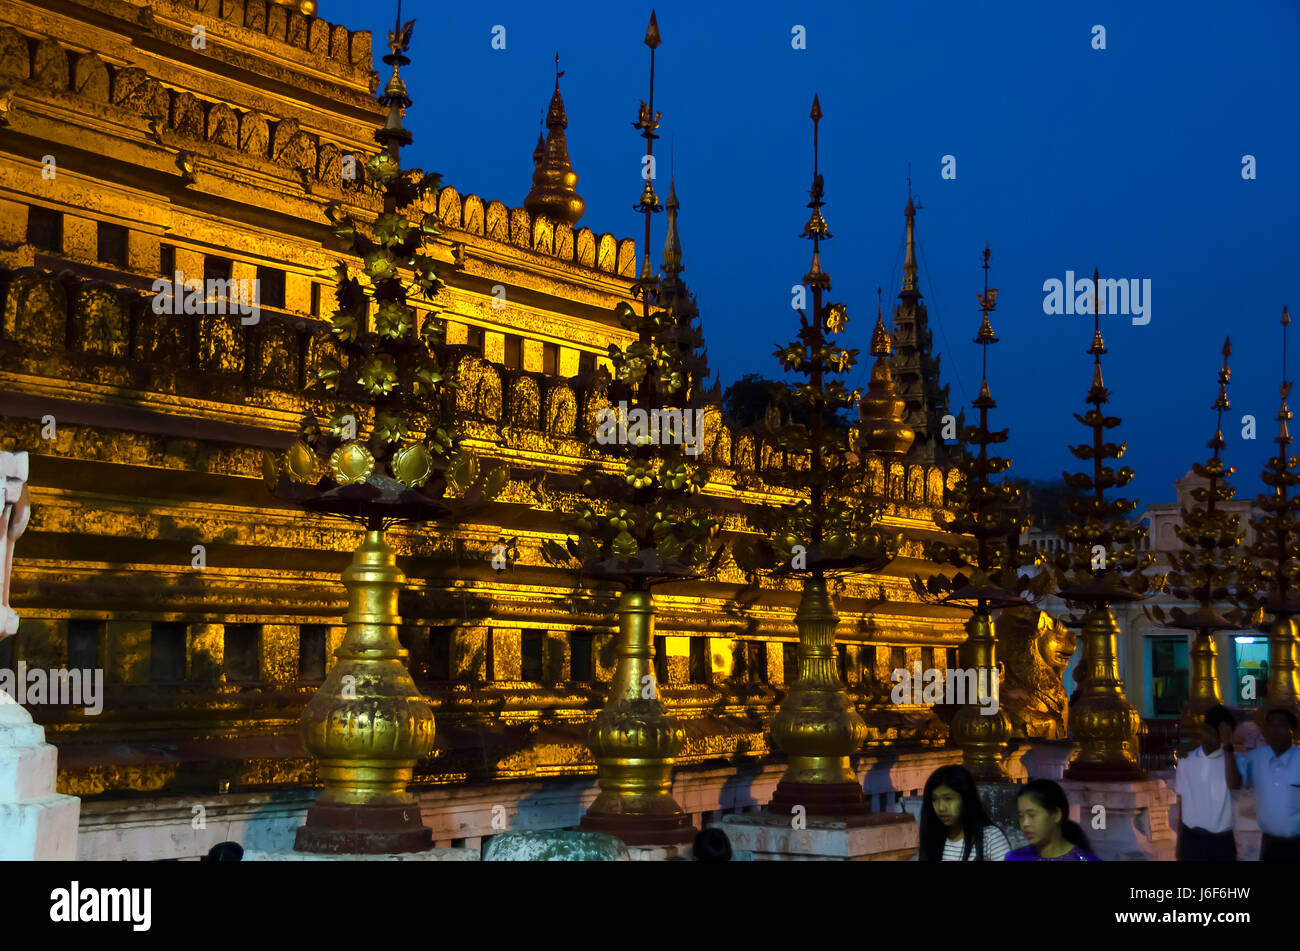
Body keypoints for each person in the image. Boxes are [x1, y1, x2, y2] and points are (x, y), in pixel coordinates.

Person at [1224, 707, 1300, 860]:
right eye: (1270, 725)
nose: (1275, 731)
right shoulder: (1255, 758)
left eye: (1281, 725)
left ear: (1291, 730)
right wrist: (1227, 748)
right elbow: (1234, 783)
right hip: (1269, 844)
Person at [1174, 705, 1238, 860]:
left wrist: (1228, 746)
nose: (1212, 740)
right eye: (1209, 732)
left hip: (1222, 842)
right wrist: (1179, 842)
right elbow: (1182, 802)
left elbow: (1234, 783)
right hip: (1191, 839)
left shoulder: (1233, 762)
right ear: (1203, 729)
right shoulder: (1186, 760)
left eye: (1218, 736)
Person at [917, 764, 1011, 861]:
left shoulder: (990, 837)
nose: (941, 808)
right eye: (934, 799)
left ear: (965, 799)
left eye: (948, 799)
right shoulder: (933, 840)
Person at [1004, 779, 1100, 861]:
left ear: (1056, 815)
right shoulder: (1015, 858)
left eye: (1032, 815)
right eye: (1021, 816)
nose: (1025, 823)